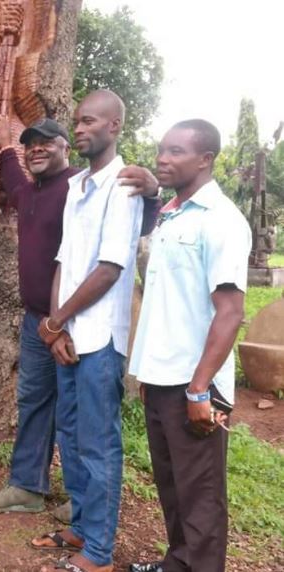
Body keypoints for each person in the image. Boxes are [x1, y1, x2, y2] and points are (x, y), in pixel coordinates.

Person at [0, 115, 158, 522]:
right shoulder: (31, 191)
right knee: (34, 402)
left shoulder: (81, 186)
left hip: (79, 321)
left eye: (47, 143)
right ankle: (26, 487)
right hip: (39, 320)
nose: (36, 149)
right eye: (30, 145)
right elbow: (15, 181)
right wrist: (6, 147)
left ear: (66, 149)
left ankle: (84, 500)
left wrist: (154, 192)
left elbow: (138, 227)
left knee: (77, 415)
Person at [127, 120, 250, 572]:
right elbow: (166, 302)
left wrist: (200, 389)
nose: (163, 158)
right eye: (162, 149)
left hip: (194, 384)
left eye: (176, 151)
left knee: (200, 496)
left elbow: (230, 312)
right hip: (161, 377)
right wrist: (145, 373)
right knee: (173, 485)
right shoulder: (172, 215)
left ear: (206, 159)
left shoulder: (221, 221)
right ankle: (177, 563)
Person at [35, 90, 143, 572]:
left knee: (100, 443)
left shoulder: (124, 187)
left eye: (89, 121)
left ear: (115, 126)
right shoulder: (78, 186)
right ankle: (80, 527)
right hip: (68, 337)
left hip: (100, 339)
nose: (79, 129)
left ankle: (99, 550)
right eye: (77, 121)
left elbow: (109, 269)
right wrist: (55, 327)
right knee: (71, 434)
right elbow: (64, 261)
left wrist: (60, 320)